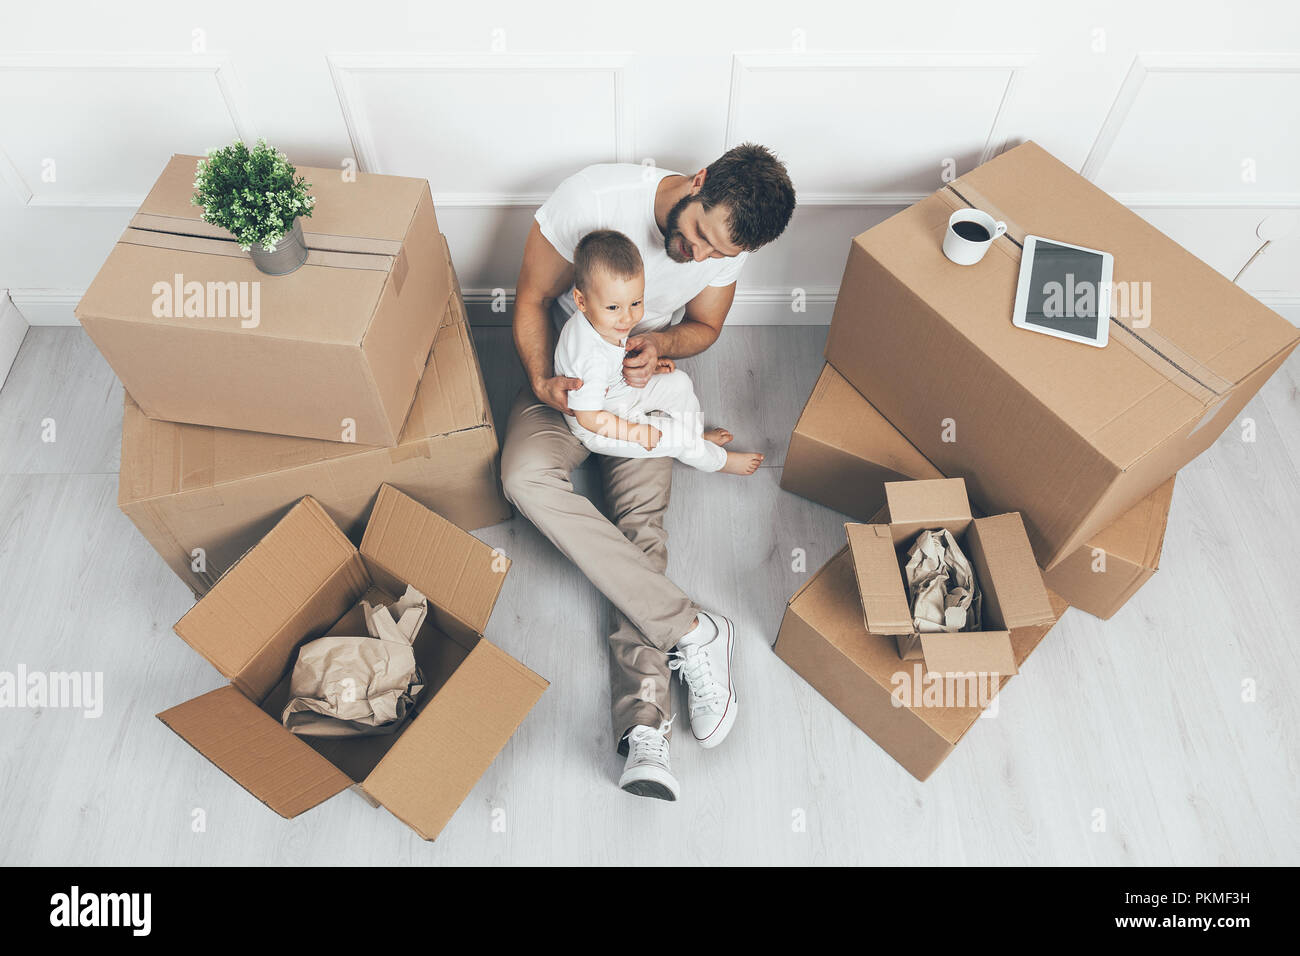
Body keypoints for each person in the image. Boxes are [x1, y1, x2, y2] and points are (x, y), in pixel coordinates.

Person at [501, 143, 795, 801]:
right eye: (697, 236)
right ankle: (696, 629)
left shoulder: (729, 243)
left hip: (642, 397)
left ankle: (644, 731)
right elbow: (527, 297)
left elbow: (705, 327)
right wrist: (543, 381)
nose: (699, 256)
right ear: (698, 182)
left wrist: (658, 344)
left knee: (640, 531)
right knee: (522, 479)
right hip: (569, 386)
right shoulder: (591, 201)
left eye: (718, 253)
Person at [554, 228, 764, 476]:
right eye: (613, 307)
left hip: (618, 392)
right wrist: (634, 431)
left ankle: (695, 438)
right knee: (674, 436)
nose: (627, 317)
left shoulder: (599, 321)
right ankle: (718, 461)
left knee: (679, 383)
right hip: (602, 424)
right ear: (581, 301)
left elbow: (612, 359)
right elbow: (588, 417)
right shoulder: (589, 357)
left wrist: (647, 366)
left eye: (636, 303)